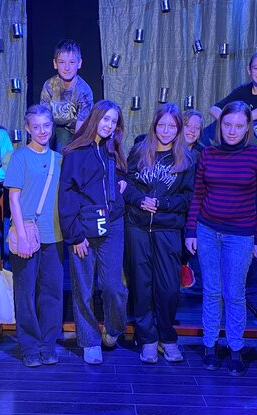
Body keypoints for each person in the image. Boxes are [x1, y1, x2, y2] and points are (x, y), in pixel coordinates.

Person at [185, 102, 257, 376]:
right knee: (211, 291)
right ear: (220, 125)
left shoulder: (256, 155)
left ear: (247, 128)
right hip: (207, 230)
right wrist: (191, 230)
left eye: (239, 126)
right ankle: (209, 345)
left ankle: (235, 348)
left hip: (240, 234)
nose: (232, 131)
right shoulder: (208, 154)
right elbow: (197, 194)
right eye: (227, 124)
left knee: (234, 293)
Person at [58, 99, 129, 364]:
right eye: (105, 119)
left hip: (113, 224)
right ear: (94, 119)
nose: (109, 125)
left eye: (114, 121)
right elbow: (66, 195)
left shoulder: (114, 150)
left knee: (113, 286)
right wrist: (75, 235)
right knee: (84, 287)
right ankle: (89, 341)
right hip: (83, 227)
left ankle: (113, 328)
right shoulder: (75, 152)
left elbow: (121, 178)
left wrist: (122, 184)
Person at [124, 104, 195, 364]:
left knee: (168, 287)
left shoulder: (187, 158)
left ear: (178, 129)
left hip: (168, 228)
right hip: (138, 227)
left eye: (171, 126)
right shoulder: (139, 151)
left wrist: (162, 204)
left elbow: (188, 197)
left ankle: (168, 337)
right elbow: (125, 184)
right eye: (161, 125)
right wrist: (140, 200)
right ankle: (148, 339)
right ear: (154, 126)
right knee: (141, 285)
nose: (166, 131)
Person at [5, 105, 63, 367]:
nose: (42, 131)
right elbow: (13, 199)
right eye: (36, 126)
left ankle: (48, 345)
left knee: (52, 293)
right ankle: (29, 346)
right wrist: (21, 235)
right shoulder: (19, 157)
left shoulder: (59, 159)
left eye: (46, 125)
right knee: (25, 293)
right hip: (26, 231)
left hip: (54, 235)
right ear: (27, 128)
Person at [40, 40, 94, 152]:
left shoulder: (84, 91)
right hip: (54, 128)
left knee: (63, 139)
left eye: (72, 62)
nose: (67, 68)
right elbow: (44, 119)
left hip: (75, 131)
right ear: (55, 64)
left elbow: (81, 130)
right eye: (62, 62)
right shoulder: (49, 86)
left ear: (79, 63)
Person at [180, 110, 204, 289]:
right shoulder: (165, 149)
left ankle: (184, 265)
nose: (192, 130)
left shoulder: (203, 154)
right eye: (188, 125)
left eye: (197, 127)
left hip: (193, 207)